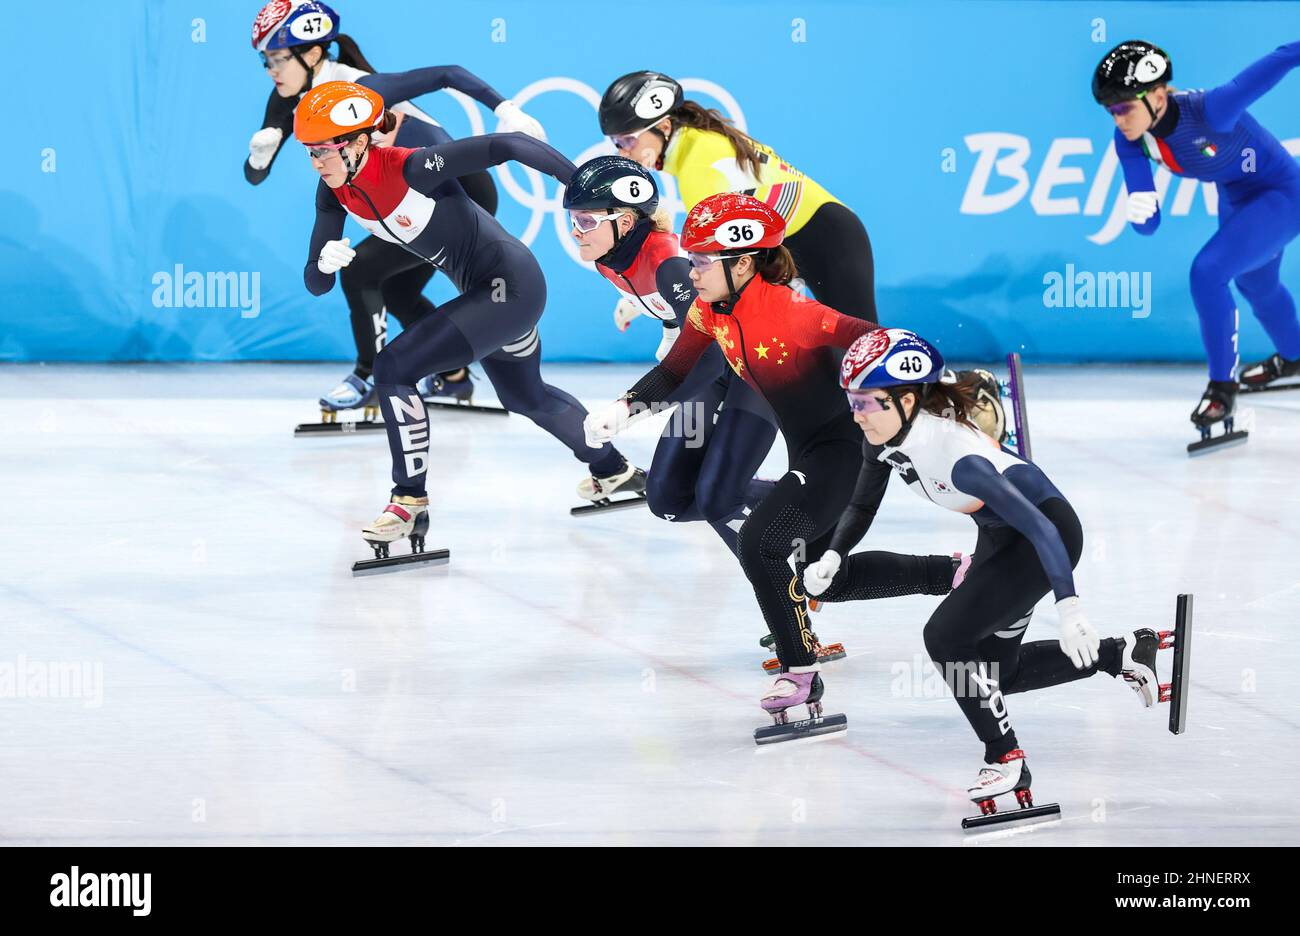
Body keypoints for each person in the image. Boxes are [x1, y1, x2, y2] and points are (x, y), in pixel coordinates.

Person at [583, 195, 958, 729]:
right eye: (691, 258)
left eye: (703, 261)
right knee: (820, 578)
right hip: (804, 449)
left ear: (744, 262)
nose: (692, 270)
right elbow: (675, 371)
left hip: (842, 450)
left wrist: (940, 384)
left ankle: (800, 673)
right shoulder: (707, 310)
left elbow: (872, 337)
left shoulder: (792, 312)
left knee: (762, 542)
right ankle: (952, 573)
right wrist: (624, 410)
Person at [805, 328, 1167, 810]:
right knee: (1000, 672)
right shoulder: (884, 435)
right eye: (851, 400)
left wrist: (1070, 608)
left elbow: (1041, 528)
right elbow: (863, 505)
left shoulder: (960, 459)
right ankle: (1121, 654)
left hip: (1042, 538)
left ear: (906, 400)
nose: (856, 413)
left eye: (866, 402)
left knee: (946, 638)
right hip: (999, 537)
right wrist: (834, 554)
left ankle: (1006, 758)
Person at [294, 81, 642, 546]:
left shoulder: (411, 165)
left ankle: (408, 502)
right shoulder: (332, 192)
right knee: (526, 397)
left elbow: (508, 145)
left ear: (359, 142)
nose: (318, 164)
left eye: (324, 151)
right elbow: (316, 285)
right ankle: (613, 469)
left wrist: (582, 186)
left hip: (509, 287)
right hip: (492, 295)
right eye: (310, 154)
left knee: (393, 368)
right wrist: (323, 264)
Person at [247, 0, 545, 412]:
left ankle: (368, 376)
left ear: (312, 53)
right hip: (406, 199)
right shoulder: (285, 97)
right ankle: (454, 379)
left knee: (361, 274)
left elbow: (447, 74)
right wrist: (259, 156)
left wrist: (506, 109)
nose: (270, 71)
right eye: (265, 60)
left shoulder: (359, 87)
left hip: (457, 192)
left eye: (277, 59)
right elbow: (255, 175)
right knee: (398, 292)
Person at [565, 156, 777, 554]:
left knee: (716, 496)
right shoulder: (608, 257)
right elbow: (674, 308)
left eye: (586, 222)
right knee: (667, 501)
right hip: (712, 373)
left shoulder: (670, 263)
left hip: (751, 369)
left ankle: (783, 567)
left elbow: (710, 354)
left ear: (625, 222)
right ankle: (787, 497)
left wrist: (632, 407)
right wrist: (647, 311)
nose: (577, 232)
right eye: (573, 221)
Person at [1094, 39, 1300, 430]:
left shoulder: (1212, 110)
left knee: (1207, 273)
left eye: (1124, 106)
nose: (1118, 118)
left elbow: (1283, 58)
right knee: (1257, 285)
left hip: (1282, 195)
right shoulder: (1130, 141)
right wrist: (1139, 211)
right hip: (1239, 199)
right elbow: (1149, 225)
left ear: (1157, 95)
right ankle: (1294, 356)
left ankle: (1222, 389)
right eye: (1110, 110)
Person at [599, 71, 879, 324]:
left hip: (827, 240)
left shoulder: (699, 162)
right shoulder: (693, 145)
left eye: (628, 141)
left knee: (864, 350)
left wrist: (643, 296)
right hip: (796, 241)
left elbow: (707, 259)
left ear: (663, 126)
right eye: (616, 144)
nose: (623, 152)